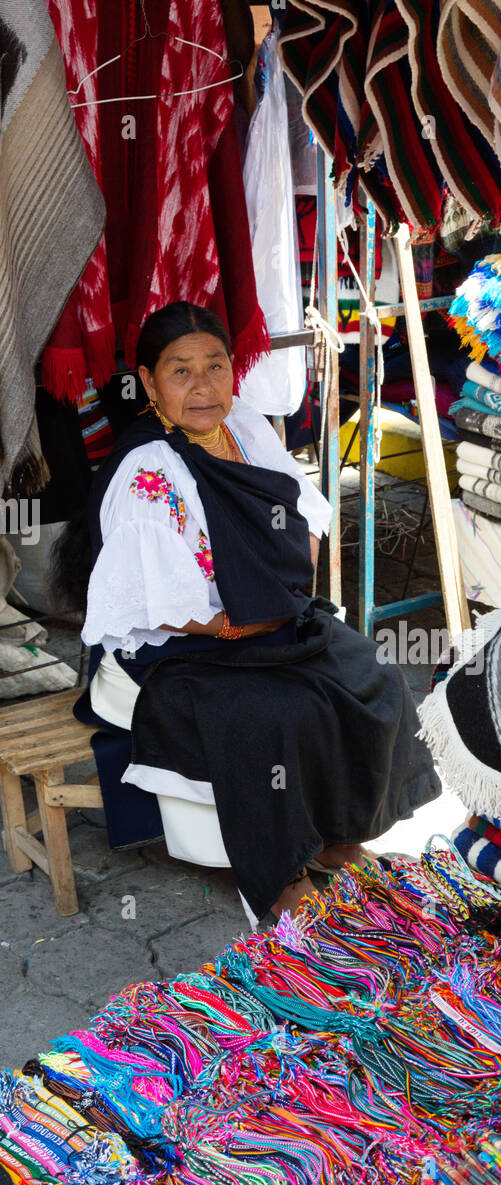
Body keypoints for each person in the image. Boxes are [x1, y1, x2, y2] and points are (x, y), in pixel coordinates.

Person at [54, 301, 441, 922]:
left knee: (370, 671)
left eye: (215, 365)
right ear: (149, 383)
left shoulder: (248, 428)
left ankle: (341, 834)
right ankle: (280, 873)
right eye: (180, 371)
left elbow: (304, 512)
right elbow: (156, 605)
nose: (203, 385)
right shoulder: (147, 470)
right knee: (271, 714)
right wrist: (235, 624)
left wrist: (281, 592)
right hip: (178, 645)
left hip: (267, 622)